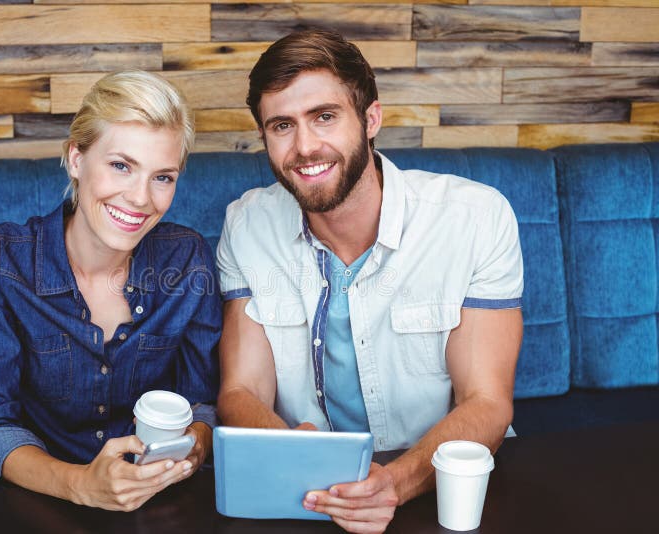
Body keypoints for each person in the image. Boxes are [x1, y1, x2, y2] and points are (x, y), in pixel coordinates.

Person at [216, 29, 523, 533]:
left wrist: (395, 482)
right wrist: (298, 457)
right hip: (309, 490)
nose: (304, 146)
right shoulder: (246, 224)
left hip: (443, 486)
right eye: (282, 125)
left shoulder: (476, 219)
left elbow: (487, 402)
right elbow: (241, 388)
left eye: (325, 116)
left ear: (371, 119)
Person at [0, 70, 221, 512]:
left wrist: (191, 450)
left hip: (159, 496)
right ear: (76, 159)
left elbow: (202, 405)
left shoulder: (187, 259)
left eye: (163, 177)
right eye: (121, 166)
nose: (141, 198)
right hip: (41, 498)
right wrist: (83, 485)